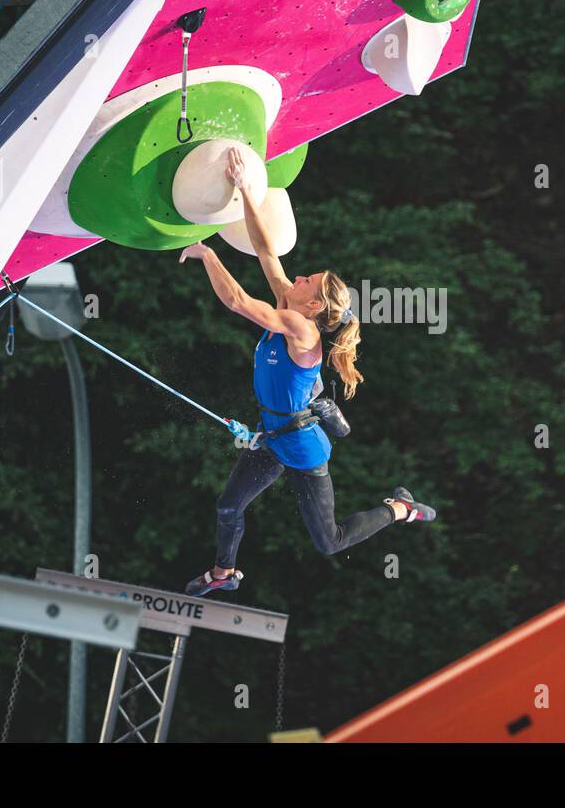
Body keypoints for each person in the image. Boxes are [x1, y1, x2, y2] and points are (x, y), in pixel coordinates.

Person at [178, 148, 437, 596]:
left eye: (305, 283)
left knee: (329, 542)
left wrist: (206, 254)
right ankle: (223, 574)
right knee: (228, 507)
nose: (295, 280)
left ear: (313, 304)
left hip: (302, 449)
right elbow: (264, 249)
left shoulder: (300, 327)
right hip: (273, 436)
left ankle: (398, 509)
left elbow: (238, 301)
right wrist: (244, 189)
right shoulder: (289, 302)